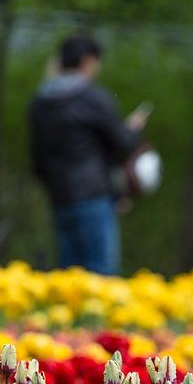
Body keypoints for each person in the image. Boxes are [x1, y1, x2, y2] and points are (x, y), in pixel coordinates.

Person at [28, 33, 148, 276]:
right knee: (100, 272)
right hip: (93, 196)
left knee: (69, 274)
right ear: (87, 61)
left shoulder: (40, 101)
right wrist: (132, 129)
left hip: (59, 197)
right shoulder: (92, 97)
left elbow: (37, 158)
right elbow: (122, 143)